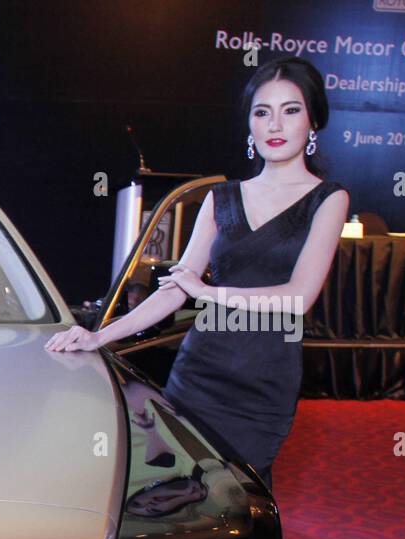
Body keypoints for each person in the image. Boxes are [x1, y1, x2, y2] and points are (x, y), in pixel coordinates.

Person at [47, 56, 349, 494]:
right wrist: (100, 336)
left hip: (264, 381)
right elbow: (174, 292)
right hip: (199, 374)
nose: (275, 124)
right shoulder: (221, 198)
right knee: (178, 492)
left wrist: (208, 290)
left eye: (291, 110)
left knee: (240, 496)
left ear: (312, 120)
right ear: (249, 126)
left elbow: (299, 299)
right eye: (262, 112)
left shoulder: (327, 199)